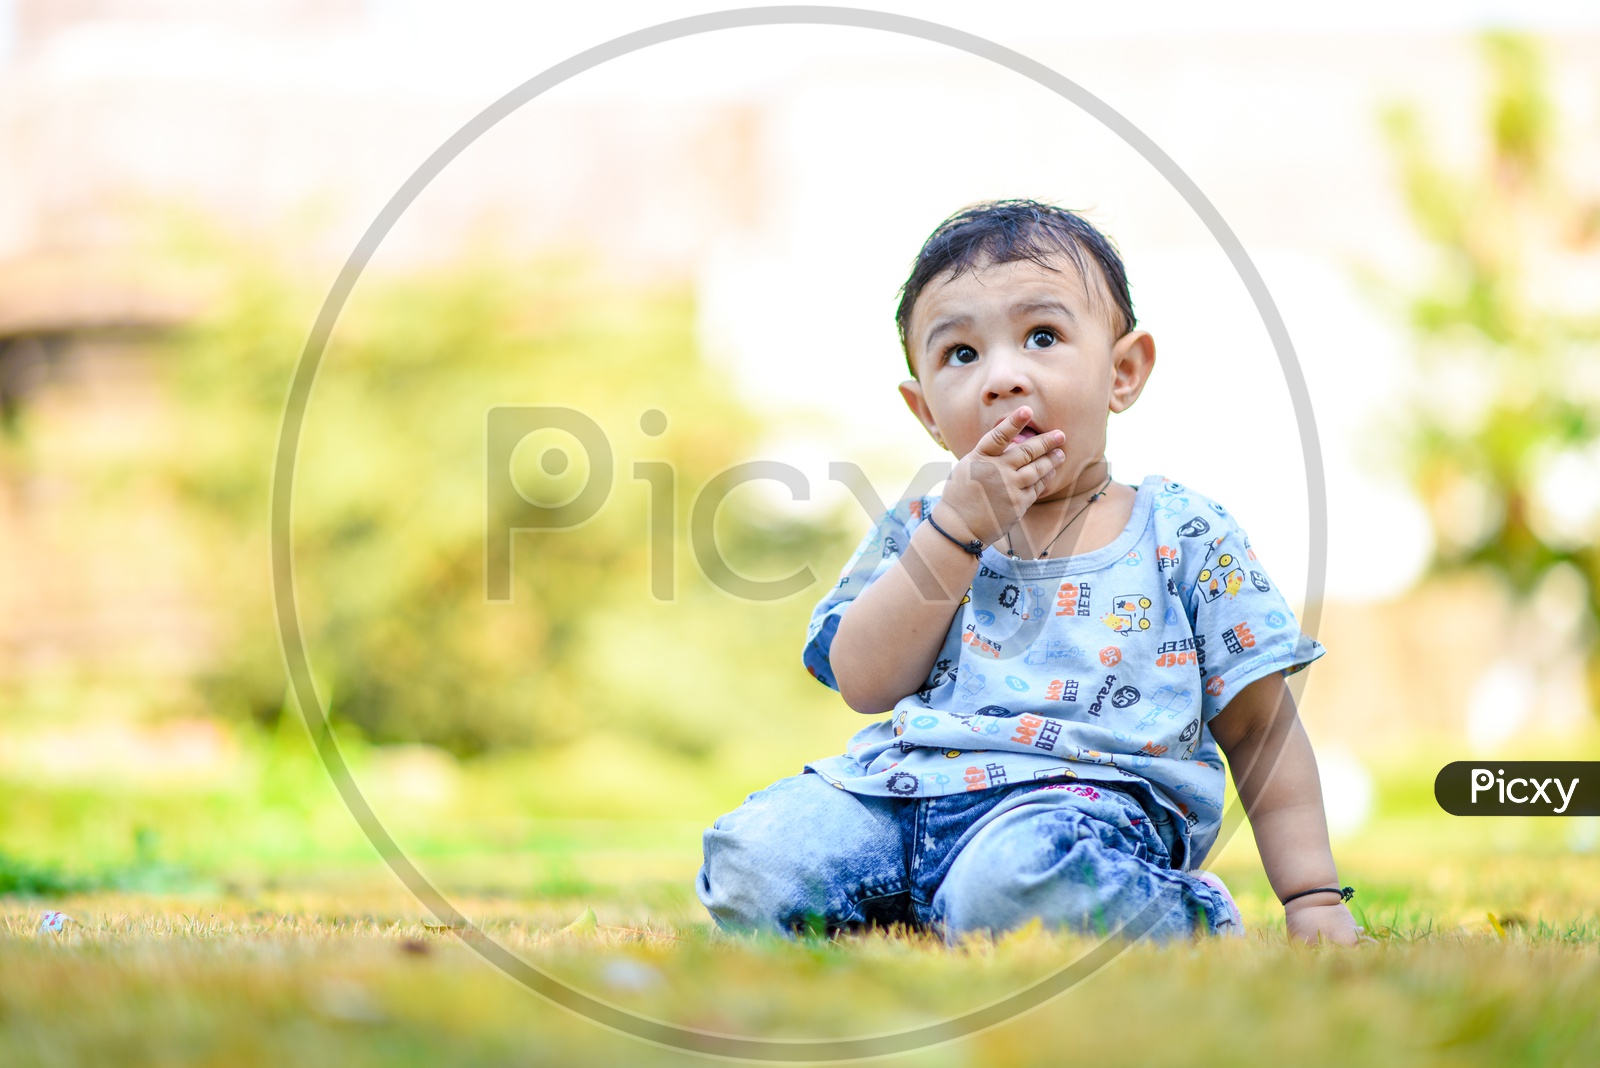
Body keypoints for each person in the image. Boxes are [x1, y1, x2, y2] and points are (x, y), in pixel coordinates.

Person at [696, 199, 1361, 947]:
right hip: (902, 796)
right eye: (961, 354)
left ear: (1124, 371)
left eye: (1041, 337)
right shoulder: (923, 525)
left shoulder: (1183, 534)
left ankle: (1174, 914)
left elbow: (1261, 730)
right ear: (925, 411)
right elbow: (864, 681)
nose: (1003, 378)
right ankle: (944, 914)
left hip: (1076, 813)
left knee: (1018, 876)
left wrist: (1312, 897)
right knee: (753, 859)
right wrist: (958, 530)